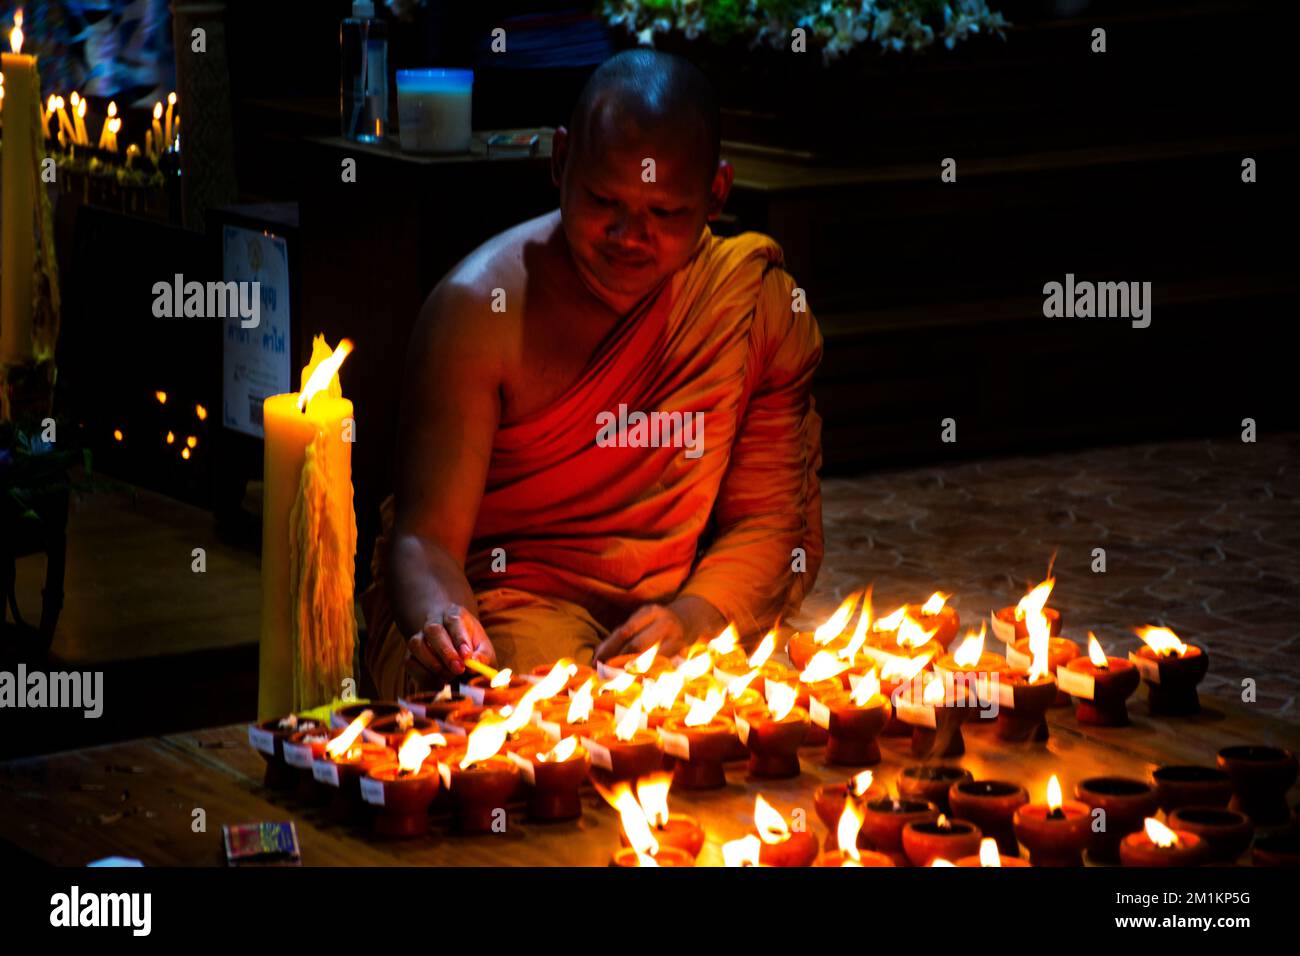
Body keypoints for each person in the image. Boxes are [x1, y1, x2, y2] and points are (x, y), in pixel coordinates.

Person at [362, 48, 823, 698]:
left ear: (716, 194)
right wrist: (447, 621)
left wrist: (690, 619)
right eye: (605, 200)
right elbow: (424, 539)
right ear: (559, 162)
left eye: (665, 213)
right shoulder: (479, 309)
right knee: (541, 691)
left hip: (671, 614)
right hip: (510, 603)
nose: (629, 235)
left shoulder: (749, 305)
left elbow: (767, 524)